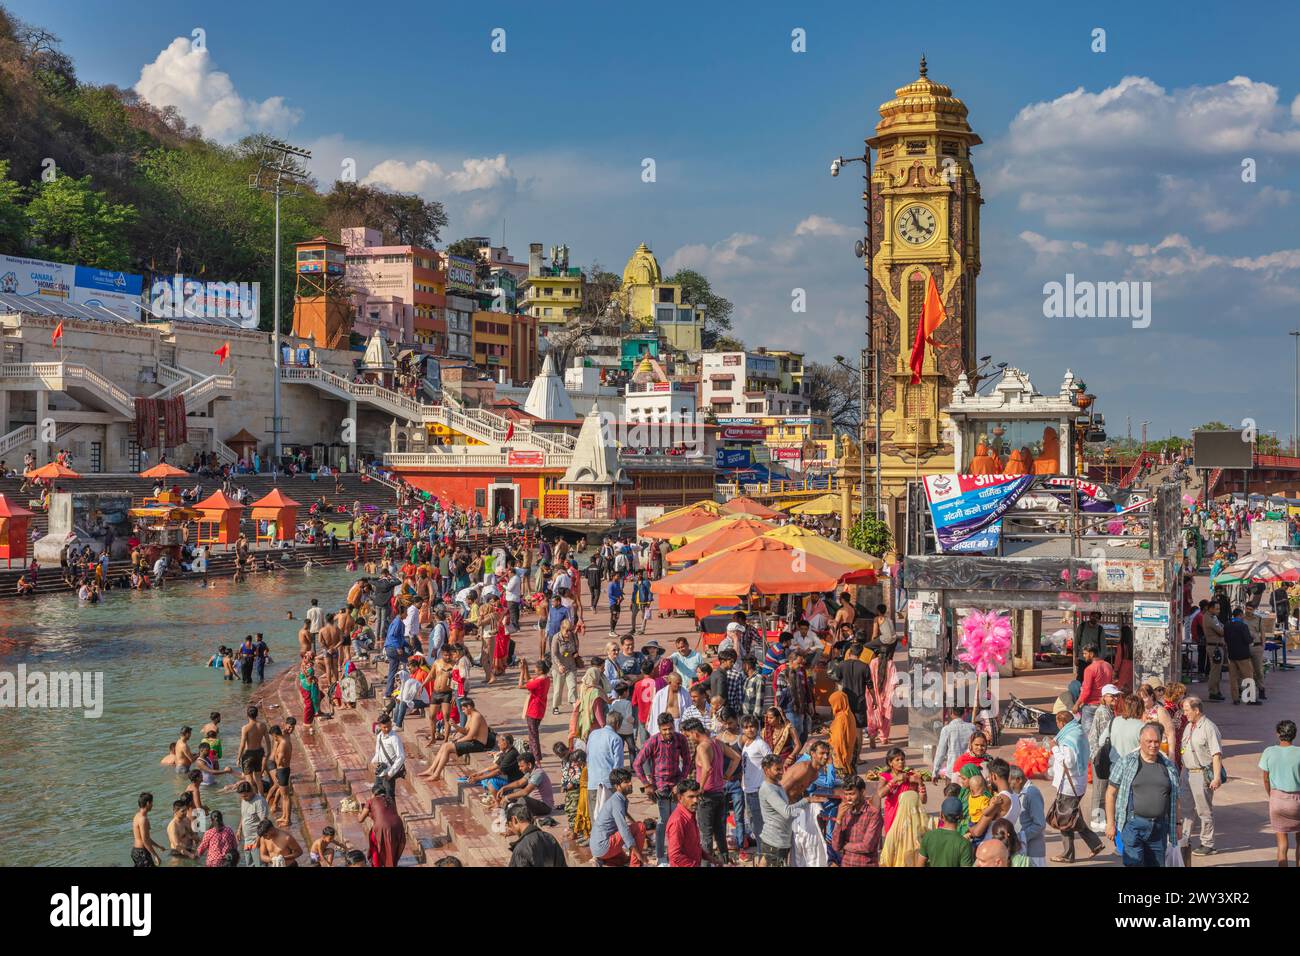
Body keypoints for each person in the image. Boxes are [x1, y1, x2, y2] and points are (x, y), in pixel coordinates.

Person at [1106, 721, 1180, 867]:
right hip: (1134, 826)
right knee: (1134, 864)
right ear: (1140, 741)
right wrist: (1110, 823)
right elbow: (1110, 793)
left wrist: (1178, 823)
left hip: (1159, 828)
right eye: (1149, 741)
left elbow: (1175, 798)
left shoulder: (1169, 767)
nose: (1153, 745)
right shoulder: (1126, 762)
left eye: (1157, 741)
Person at [633, 712, 693, 866]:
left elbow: (687, 761)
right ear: (659, 729)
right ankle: (661, 856)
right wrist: (647, 784)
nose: (668, 732)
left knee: (678, 820)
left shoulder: (680, 739)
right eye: (664, 729)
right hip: (660, 787)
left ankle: (678, 853)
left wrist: (680, 783)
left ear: (674, 726)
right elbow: (637, 763)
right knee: (663, 821)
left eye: (670, 728)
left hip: (676, 785)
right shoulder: (653, 741)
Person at [1047, 710, 1105, 863]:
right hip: (1077, 783)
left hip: (1069, 785)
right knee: (1070, 817)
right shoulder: (1077, 732)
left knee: (1063, 820)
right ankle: (1095, 844)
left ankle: (1068, 854)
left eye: (1058, 724)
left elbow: (1068, 762)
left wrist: (1054, 748)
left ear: (1062, 723)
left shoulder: (1069, 739)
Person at [1180, 696, 1224, 855]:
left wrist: (1216, 777)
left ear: (1196, 710)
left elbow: (1216, 754)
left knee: (1203, 810)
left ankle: (1207, 843)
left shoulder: (1209, 728)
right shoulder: (1189, 726)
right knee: (1186, 809)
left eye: (1186, 710)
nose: (1184, 713)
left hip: (1200, 773)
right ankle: (1185, 838)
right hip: (1187, 772)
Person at [1259, 719, 1300, 867]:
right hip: (1297, 801)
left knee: (1282, 844)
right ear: (1294, 735)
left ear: (1278, 734)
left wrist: (1271, 795)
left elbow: (1265, 778)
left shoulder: (1269, 752)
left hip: (1277, 800)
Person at [758, 752, 808, 867]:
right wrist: (807, 801)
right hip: (774, 842)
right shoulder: (769, 789)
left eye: (782, 769)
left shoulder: (777, 785)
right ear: (766, 770)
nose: (781, 772)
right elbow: (787, 812)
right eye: (777, 769)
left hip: (778, 839)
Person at [589, 768, 647, 866]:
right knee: (640, 826)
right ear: (617, 786)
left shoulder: (619, 799)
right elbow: (624, 829)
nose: (630, 784)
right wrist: (639, 855)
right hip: (603, 846)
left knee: (622, 860)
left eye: (630, 780)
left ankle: (603, 861)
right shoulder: (617, 801)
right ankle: (635, 865)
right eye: (626, 782)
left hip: (599, 848)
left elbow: (625, 817)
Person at [424, 697, 490, 779]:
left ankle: (437, 774)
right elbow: (466, 731)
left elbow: (471, 736)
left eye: (463, 709)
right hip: (472, 741)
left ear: (469, 707)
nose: (463, 711)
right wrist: (455, 726)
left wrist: (457, 741)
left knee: (447, 747)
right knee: (445, 745)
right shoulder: (470, 715)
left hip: (478, 744)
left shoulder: (477, 716)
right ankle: (432, 769)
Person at [832, 775, 883, 866]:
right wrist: (838, 819)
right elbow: (836, 846)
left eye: (852, 794)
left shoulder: (873, 814)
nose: (848, 798)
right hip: (846, 863)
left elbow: (867, 846)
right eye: (846, 794)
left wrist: (845, 845)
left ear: (862, 792)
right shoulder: (845, 813)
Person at [586, 712, 626, 815]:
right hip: (608, 785)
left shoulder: (593, 734)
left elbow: (588, 756)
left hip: (592, 783)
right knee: (609, 820)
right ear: (618, 724)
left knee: (595, 819)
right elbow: (618, 767)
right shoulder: (616, 738)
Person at [917, 796, 974, 867]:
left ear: (941, 815)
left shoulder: (928, 836)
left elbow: (920, 864)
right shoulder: (964, 844)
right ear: (961, 816)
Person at [506, 802, 567, 867]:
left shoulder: (520, 848)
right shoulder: (549, 837)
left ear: (514, 820)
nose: (510, 829)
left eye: (509, 825)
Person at [1009, 765, 1047, 866]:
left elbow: (1040, 824)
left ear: (1018, 780)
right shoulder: (1019, 793)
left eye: (1010, 783)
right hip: (1022, 850)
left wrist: (1021, 837)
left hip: (1033, 852)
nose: (1010, 787)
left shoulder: (1032, 793)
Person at [666, 778, 707, 867]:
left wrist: (711, 859)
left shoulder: (690, 814)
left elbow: (694, 846)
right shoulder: (678, 821)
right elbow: (674, 855)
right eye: (691, 797)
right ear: (680, 797)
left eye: (697, 796)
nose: (696, 800)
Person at [1223, 607, 1257, 705]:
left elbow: (1225, 639)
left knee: (1233, 678)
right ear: (1240, 615)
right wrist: (1253, 637)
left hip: (1232, 655)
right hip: (1243, 655)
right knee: (1248, 677)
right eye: (1242, 615)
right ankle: (1250, 698)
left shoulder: (1227, 625)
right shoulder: (1243, 626)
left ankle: (1235, 698)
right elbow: (1248, 640)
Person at [519, 658, 551, 760]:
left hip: (533, 710)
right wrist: (526, 668)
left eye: (536, 669)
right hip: (540, 710)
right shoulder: (545, 679)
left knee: (533, 735)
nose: (534, 670)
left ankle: (536, 758)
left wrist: (522, 671)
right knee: (533, 733)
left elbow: (520, 685)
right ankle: (534, 756)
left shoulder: (538, 681)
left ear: (541, 671)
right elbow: (529, 680)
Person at [235, 780, 271, 867]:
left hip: (256, 839)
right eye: (242, 796)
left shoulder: (259, 802)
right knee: (249, 863)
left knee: (260, 864)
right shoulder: (244, 800)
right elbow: (244, 816)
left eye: (246, 796)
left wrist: (258, 840)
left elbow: (264, 823)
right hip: (247, 840)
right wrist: (239, 830)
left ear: (251, 791)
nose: (244, 798)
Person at [932, 708, 976, 779]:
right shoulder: (972, 727)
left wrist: (935, 772)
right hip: (969, 771)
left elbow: (940, 753)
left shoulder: (946, 729)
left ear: (951, 713)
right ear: (964, 712)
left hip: (952, 771)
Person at [371, 713, 406, 798]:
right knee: (377, 792)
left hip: (389, 771)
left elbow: (401, 756)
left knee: (389, 795)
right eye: (384, 727)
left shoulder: (394, 738)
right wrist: (373, 762)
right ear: (380, 726)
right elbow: (378, 752)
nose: (387, 729)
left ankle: (392, 811)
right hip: (381, 770)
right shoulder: (379, 736)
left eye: (389, 726)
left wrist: (390, 774)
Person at [131, 792, 166, 867]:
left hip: (135, 852)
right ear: (148, 803)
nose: (152, 805)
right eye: (152, 803)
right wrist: (156, 856)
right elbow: (145, 840)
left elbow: (146, 838)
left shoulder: (137, 815)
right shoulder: (143, 820)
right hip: (142, 853)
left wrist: (159, 846)